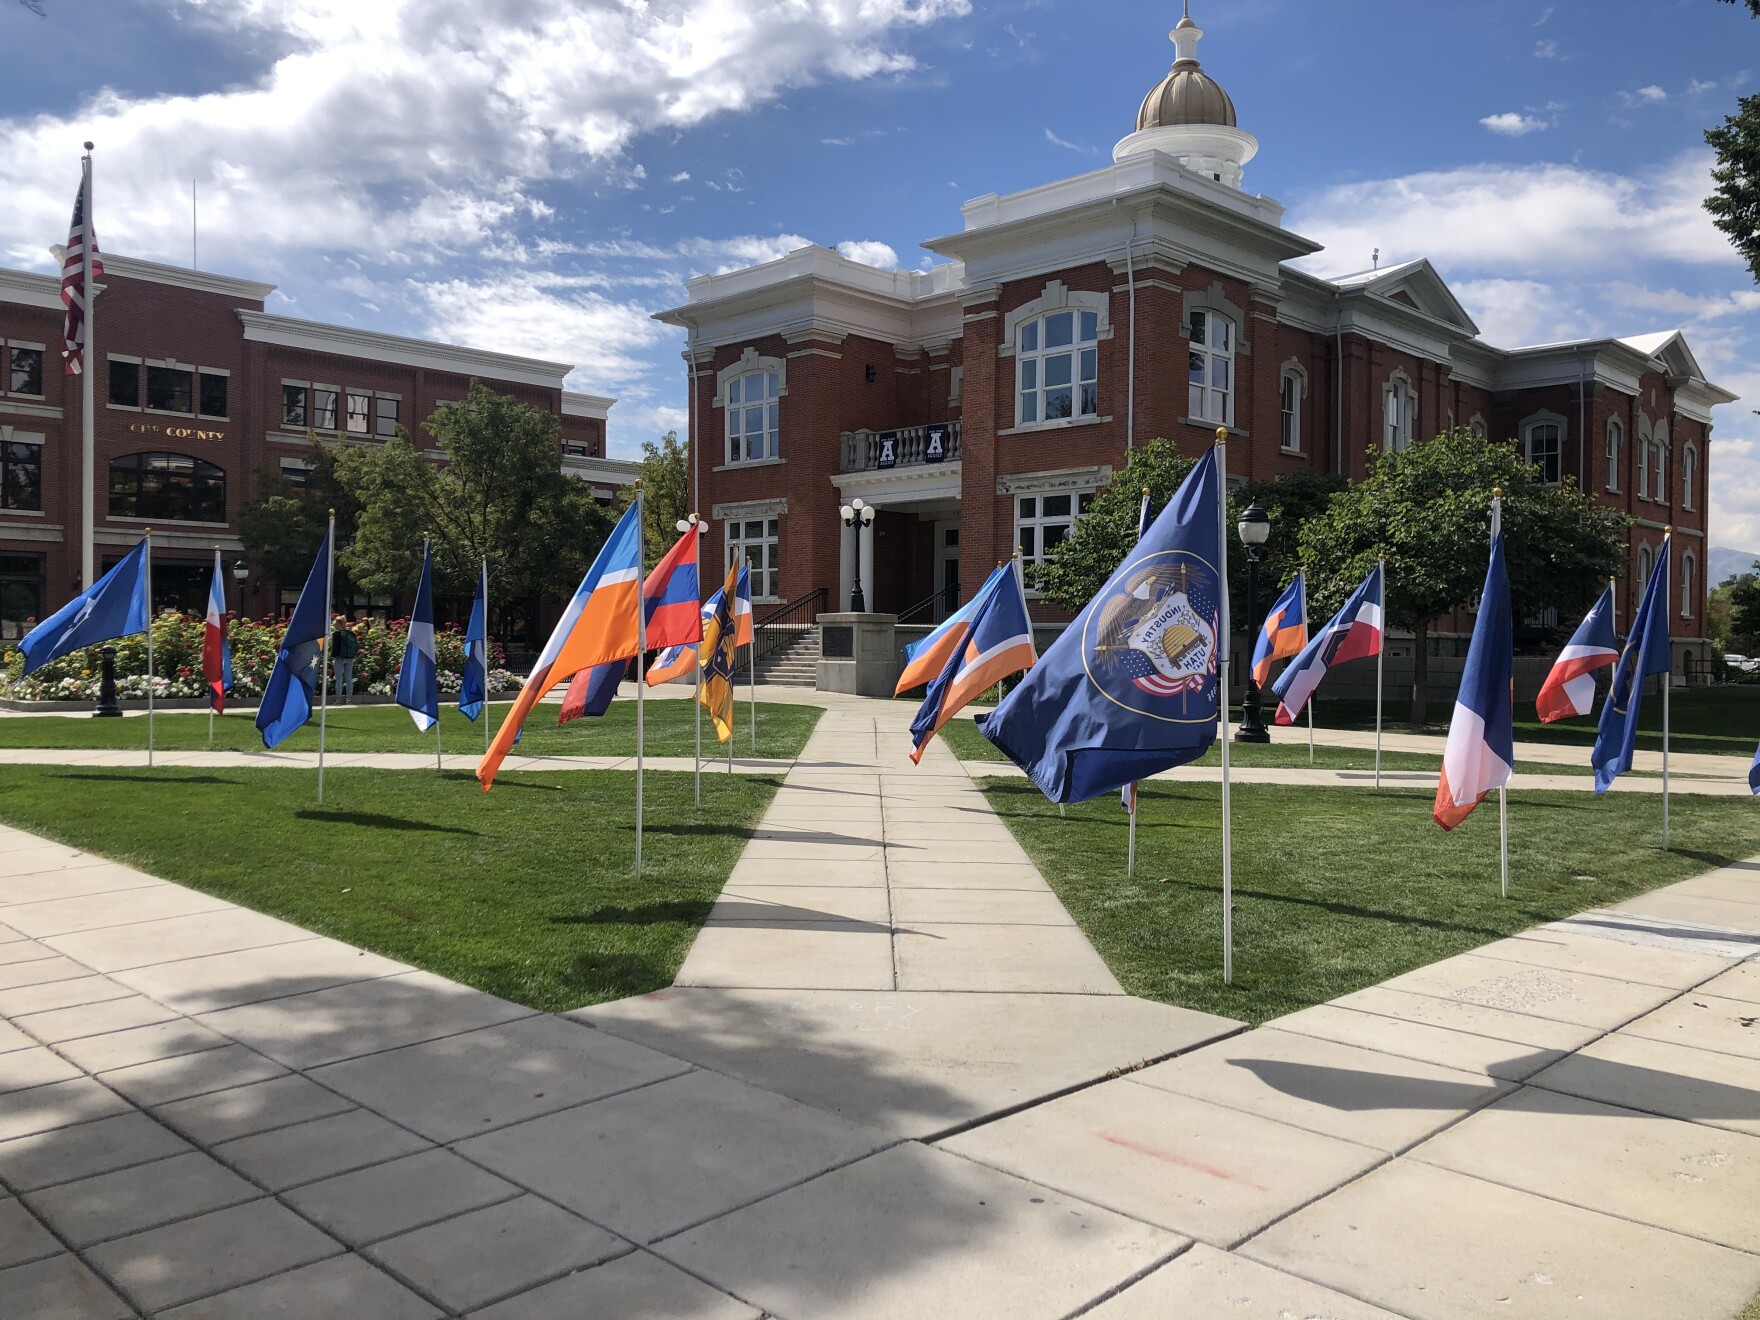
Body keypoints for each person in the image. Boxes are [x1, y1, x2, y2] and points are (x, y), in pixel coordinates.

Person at [331, 615, 360, 703]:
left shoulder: (336, 634)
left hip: (339, 658)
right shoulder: (350, 633)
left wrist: (333, 656)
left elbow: (335, 648)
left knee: (339, 679)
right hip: (350, 658)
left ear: (338, 624)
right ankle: (349, 698)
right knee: (348, 678)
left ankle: (338, 698)